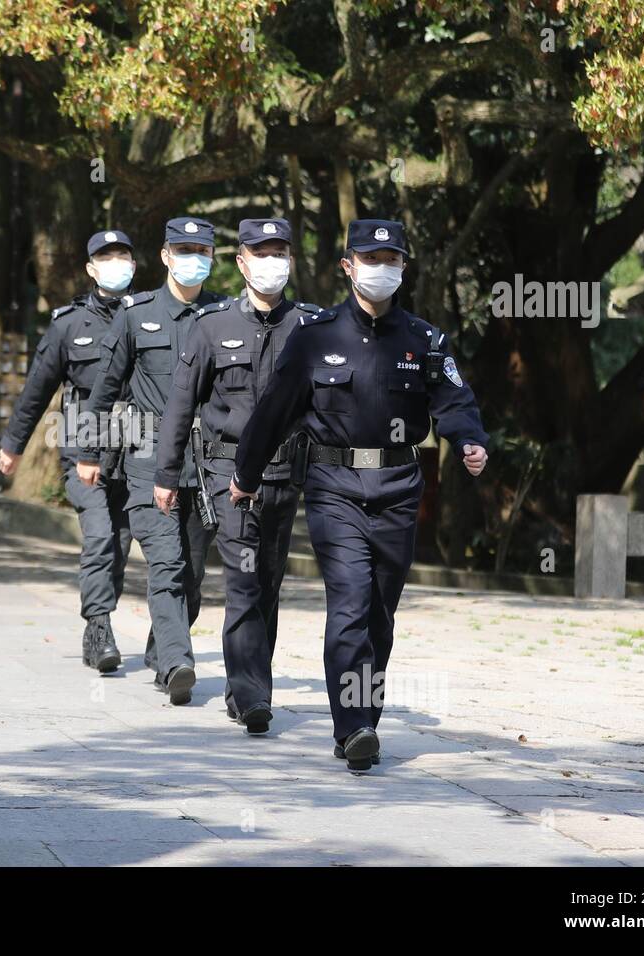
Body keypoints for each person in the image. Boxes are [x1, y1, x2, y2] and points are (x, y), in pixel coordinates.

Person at [230, 219, 489, 770]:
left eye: (391, 260)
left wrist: (469, 440)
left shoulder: (424, 341)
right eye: (370, 260)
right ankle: (354, 728)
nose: (381, 269)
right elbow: (273, 411)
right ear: (348, 267)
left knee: (379, 614)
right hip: (335, 490)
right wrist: (246, 476)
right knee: (348, 603)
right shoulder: (316, 336)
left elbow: (455, 400)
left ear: (403, 268)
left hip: (397, 489)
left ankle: (363, 713)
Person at [154, 218, 319, 735]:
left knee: (269, 581)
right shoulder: (212, 326)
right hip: (227, 474)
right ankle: (252, 694)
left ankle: (244, 683)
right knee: (244, 579)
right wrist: (165, 473)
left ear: (290, 261)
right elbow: (181, 406)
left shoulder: (310, 327)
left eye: (279, 252)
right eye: (259, 253)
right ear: (241, 262)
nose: (271, 262)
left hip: (285, 473)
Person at [77, 216, 226, 706]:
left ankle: (163, 651)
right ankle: (180, 662)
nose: (192, 258)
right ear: (165, 256)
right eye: (182, 249)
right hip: (145, 458)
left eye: (200, 249)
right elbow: (103, 392)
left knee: (194, 574)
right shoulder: (135, 314)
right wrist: (89, 452)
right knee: (166, 563)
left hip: (203, 465)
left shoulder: (222, 316)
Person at [0, 230, 138, 672]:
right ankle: (99, 628)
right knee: (98, 534)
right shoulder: (68, 324)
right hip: (80, 442)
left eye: (123, 256)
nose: (117, 263)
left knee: (118, 541)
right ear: (91, 269)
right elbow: (37, 389)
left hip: (137, 442)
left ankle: (105, 618)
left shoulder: (149, 316)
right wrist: (13, 444)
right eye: (106, 257)